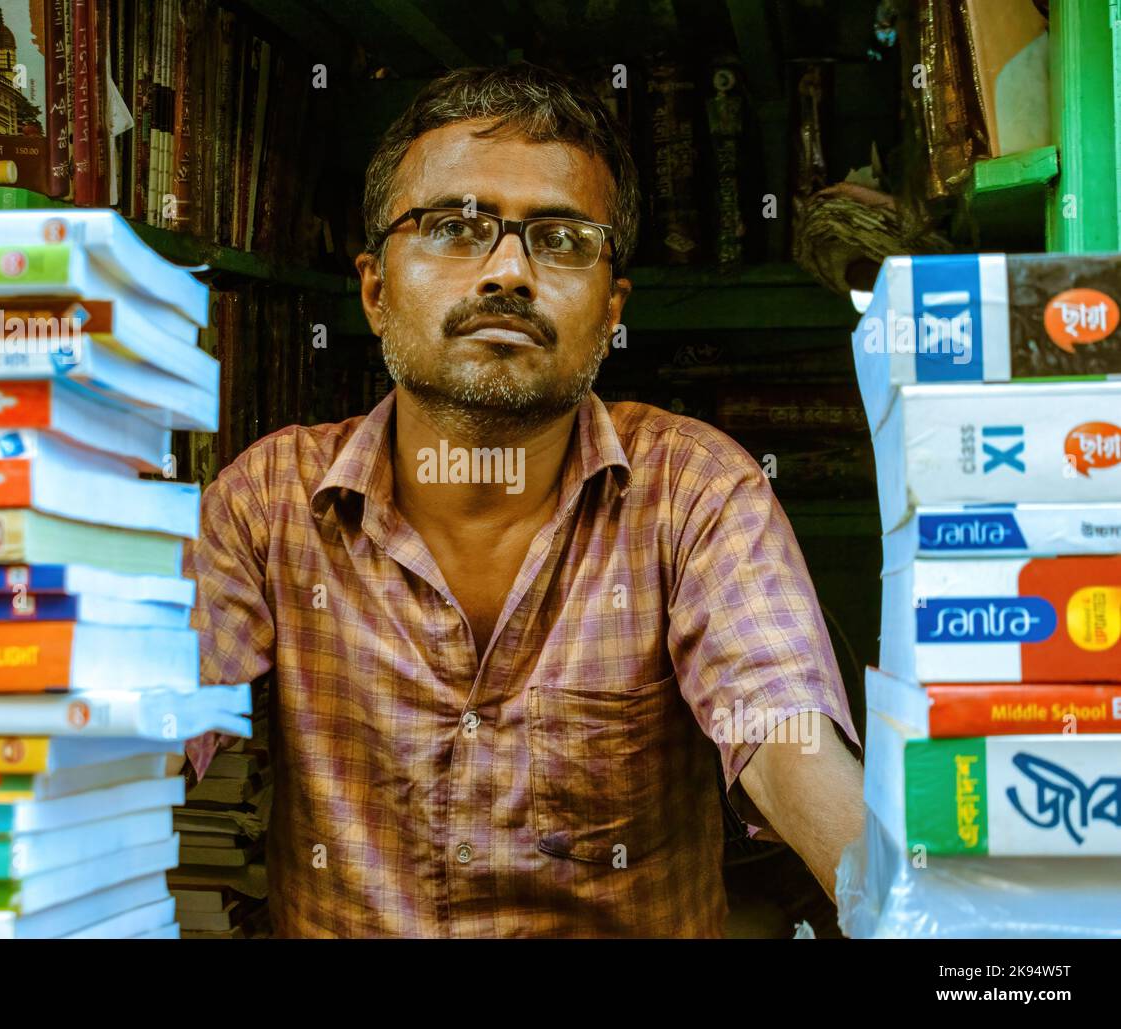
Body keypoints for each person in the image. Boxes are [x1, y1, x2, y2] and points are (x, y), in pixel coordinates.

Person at [184, 62, 864, 938]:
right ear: (374, 289)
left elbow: (785, 737)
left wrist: (945, 933)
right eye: (455, 227)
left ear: (611, 305)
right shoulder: (269, 499)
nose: (508, 272)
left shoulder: (693, 489)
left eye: (562, 238)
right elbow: (148, 732)